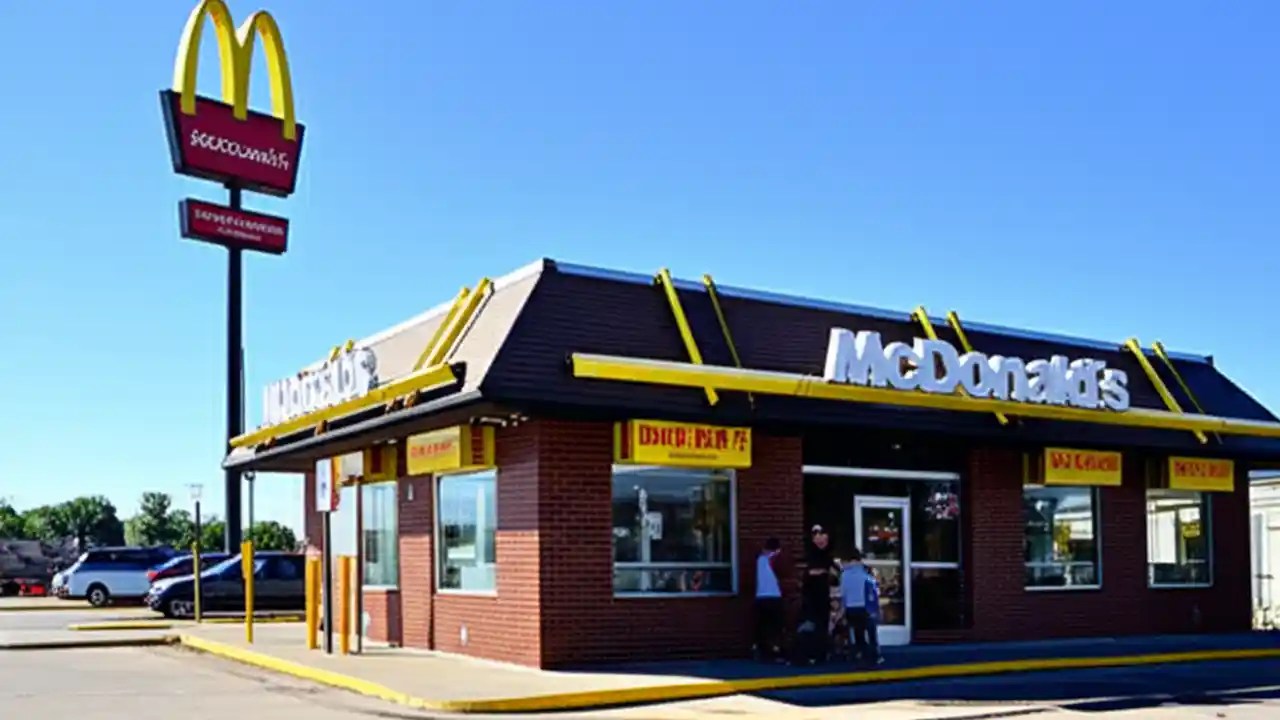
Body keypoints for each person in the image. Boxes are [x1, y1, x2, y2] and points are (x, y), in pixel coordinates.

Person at [797, 525, 837, 664]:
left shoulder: (828, 557)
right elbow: (808, 573)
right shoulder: (810, 555)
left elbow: (836, 574)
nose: (820, 539)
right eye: (816, 535)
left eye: (823, 536)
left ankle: (820, 653)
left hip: (823, 596)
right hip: (810, 596)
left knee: (822, 625)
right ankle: (808, 653)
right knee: (810, 624)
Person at [840, 547, 883, 666]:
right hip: (865, 607)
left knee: (858, 634)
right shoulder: (866, 572)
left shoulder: (844, 575)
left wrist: (842, 611)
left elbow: (843, 594)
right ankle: (874, 656)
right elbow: (873, 591)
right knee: (871, 633)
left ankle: (861, 654)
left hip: (851, 608)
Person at [753, 537, 784, 661]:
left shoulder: (760, 560)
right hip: (774, 596)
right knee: (775, 626)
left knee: (762, 625)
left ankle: (760, 650)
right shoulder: (775, 558)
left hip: (760, 596)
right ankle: (773, 650)